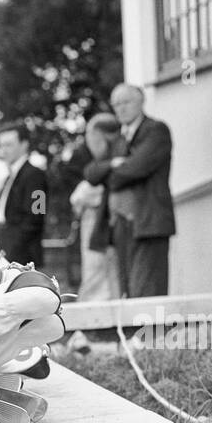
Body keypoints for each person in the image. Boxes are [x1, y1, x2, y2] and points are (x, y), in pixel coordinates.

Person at [83, 83, 174, 298]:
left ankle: (153, 334)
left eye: (126, 102)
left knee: (148, 291)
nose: (120, 108)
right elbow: (91, 173)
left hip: (148, 223)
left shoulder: (156, 130)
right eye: (116, 104)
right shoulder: (119, 139)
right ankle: (136, 333)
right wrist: (113, 163)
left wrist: (112, 174)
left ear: (141, 101)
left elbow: (135, 169)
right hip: (121, 226)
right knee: (129, 293)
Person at [70, 114, 121, 301]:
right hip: (95, 229)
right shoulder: (99, 166)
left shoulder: (113, 164)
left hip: (102, 228)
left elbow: (79, 196)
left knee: (100, 275)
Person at [0, 120, 49, 267]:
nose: (3, 150)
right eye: (1, 145)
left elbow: (37, 216)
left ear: (24, 144)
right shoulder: (10, 177)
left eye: (9, 145)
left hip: (22, 254)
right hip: (3, 245)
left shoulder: (36, 175)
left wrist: (13, 248)